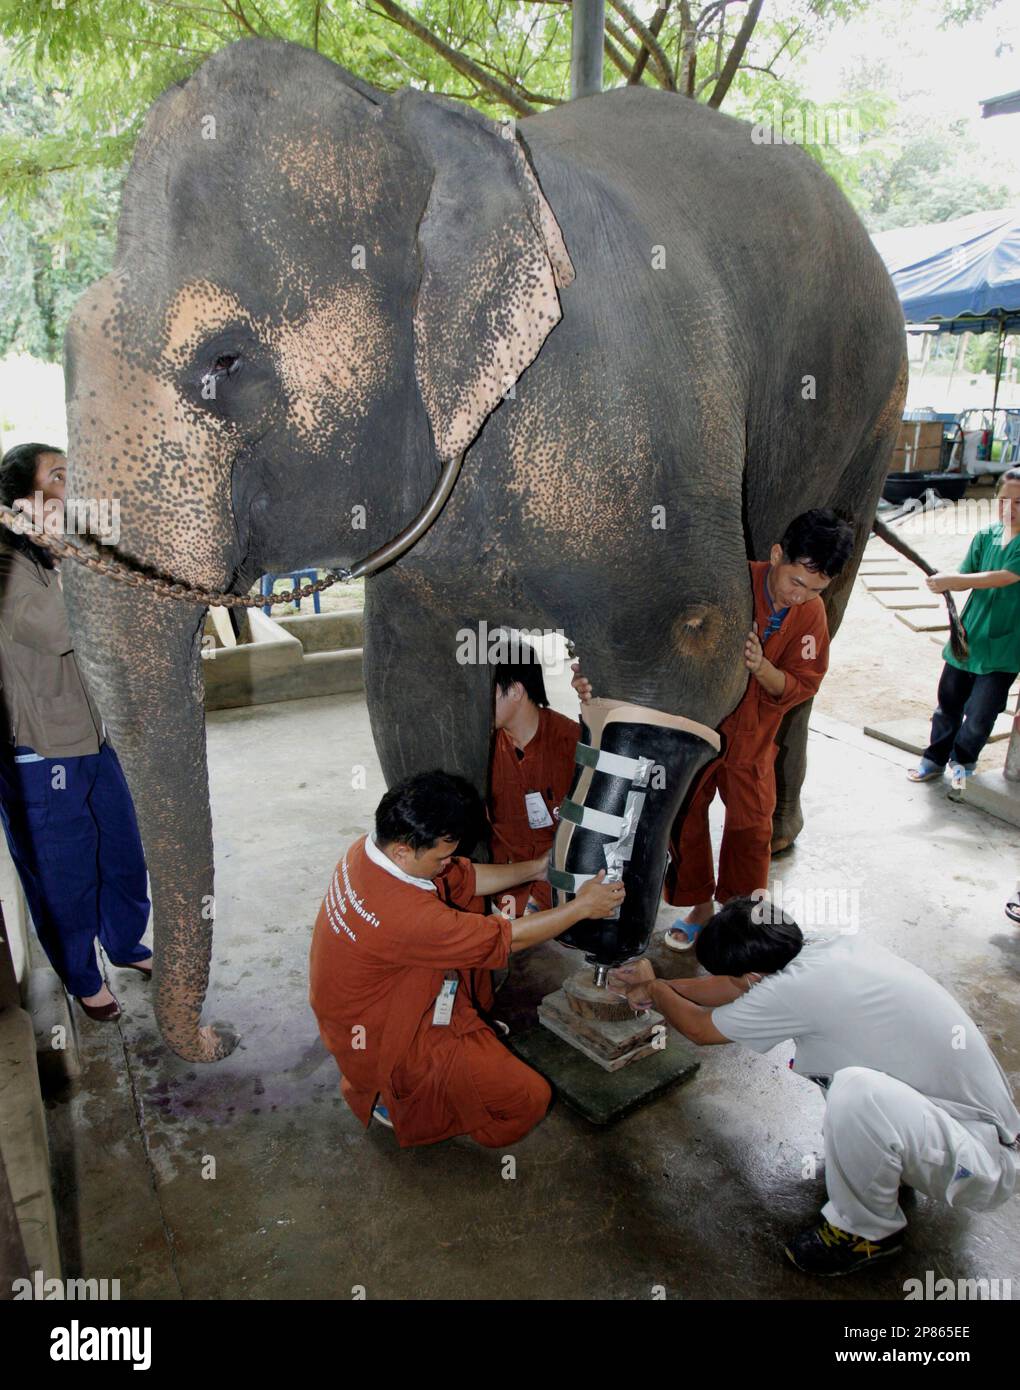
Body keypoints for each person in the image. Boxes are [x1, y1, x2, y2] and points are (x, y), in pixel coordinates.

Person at [609, 897, 1019, 1276]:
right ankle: (886, 1164)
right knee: (850, 1086)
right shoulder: (820, 950)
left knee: (855, 1092)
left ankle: (866, 1233)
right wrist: (663, 984)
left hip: (981, 1167)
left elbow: (700, 1028)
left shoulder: (792, 991)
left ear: (752, 976)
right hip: (958, 1125)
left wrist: (658, 990)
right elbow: (735, 987)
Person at [571, 509, 853, 951]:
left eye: (815, 589)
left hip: (755, 735)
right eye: (796, 582)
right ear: (777, 555)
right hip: (700, 723)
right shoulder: (728, 582)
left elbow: (802, 683)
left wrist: (761, 668)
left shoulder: (811, 614)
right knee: (684, 815)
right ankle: (698, 905)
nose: (801, 596)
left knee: (752, 827)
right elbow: (663, 638)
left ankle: (739, 918)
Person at [309, 769, 623, 1149]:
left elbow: (465, 877)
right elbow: (505, 939)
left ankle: (452, 1056)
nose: (448, 863)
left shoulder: (369, 851)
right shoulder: (408, 916)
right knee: (530, 1099)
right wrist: (583, 908)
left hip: (366, 1003)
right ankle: (406, 1100)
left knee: (461, 895)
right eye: (441, 856)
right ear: (403, 851)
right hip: (386, 1039)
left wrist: (539, 868)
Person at [0, 442, 151, 1021]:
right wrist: (75, 552)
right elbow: (61, 629)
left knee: (122, 852)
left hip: (94, 739)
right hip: (40, 754)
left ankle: (125, 942)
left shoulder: (56, 556)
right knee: (64, 874)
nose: (73, 486)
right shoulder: (9, 566)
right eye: (59, 477)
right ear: (22, 502)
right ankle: (83, 976)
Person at [909, 467, 1020, 791]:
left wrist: (953, 580)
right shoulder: (986, 536)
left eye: (1018, 502)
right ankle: (934, 759)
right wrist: (943, 580)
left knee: (982, 714)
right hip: (967, 639)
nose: (1009, 508)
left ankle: (963, 761)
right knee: (948, 704)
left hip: (1004, 647)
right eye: (1004, 500)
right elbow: (965, 575)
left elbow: (1002, 576)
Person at [488, 648, 579, 919]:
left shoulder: (572, 743)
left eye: (487, 692)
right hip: (505, 877)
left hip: (558, 873)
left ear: (515, 691)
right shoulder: (483, 746)